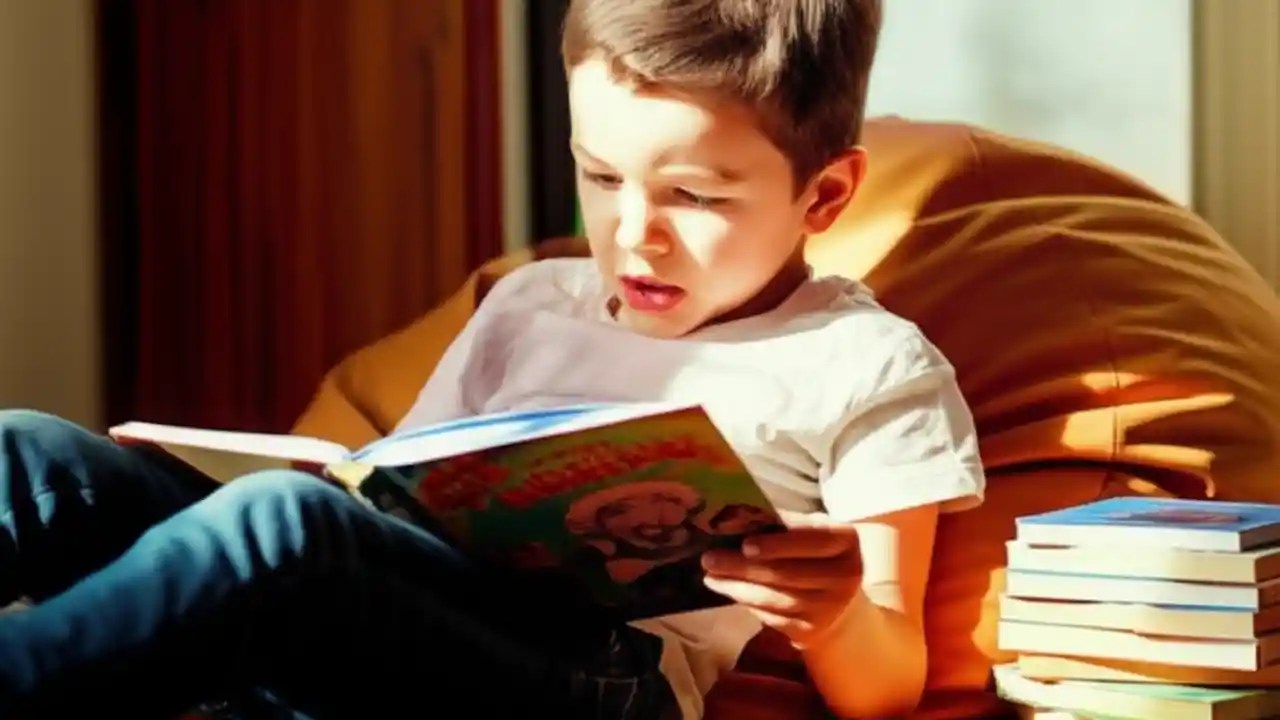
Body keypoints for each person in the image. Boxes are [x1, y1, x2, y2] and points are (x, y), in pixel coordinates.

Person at [0, 0, 985, 718]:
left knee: (282, 524)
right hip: (413, 618)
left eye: (694, 197)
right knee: (35, 455)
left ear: (821, 198)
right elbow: (389, 501)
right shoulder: (530, 302)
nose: (634, 233)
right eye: (600, 177)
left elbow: (886, 686)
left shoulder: (868, 367)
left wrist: (837, 609)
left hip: (598, 680)